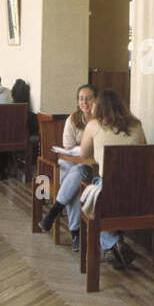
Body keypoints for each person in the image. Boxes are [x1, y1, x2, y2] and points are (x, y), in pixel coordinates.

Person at [60, 90, 146, 269]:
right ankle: (112, 249)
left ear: (98, 107)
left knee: (93, 198)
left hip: (109, 191)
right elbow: (144, 150)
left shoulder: (94, 125)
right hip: (137, 191)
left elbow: (84, 154)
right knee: (101, 195)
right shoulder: (136, 125)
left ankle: (112, 244)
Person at [38, 83, 97, 252]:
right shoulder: (73, 119)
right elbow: (68, 147)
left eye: (88, 98)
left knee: (77, 178)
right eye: (81, 99)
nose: (84, 102)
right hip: (69, 162)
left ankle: (57, 211)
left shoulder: (102, 120)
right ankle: (76, 233)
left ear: (96, 100)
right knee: (77, 176)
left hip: (90, 167)